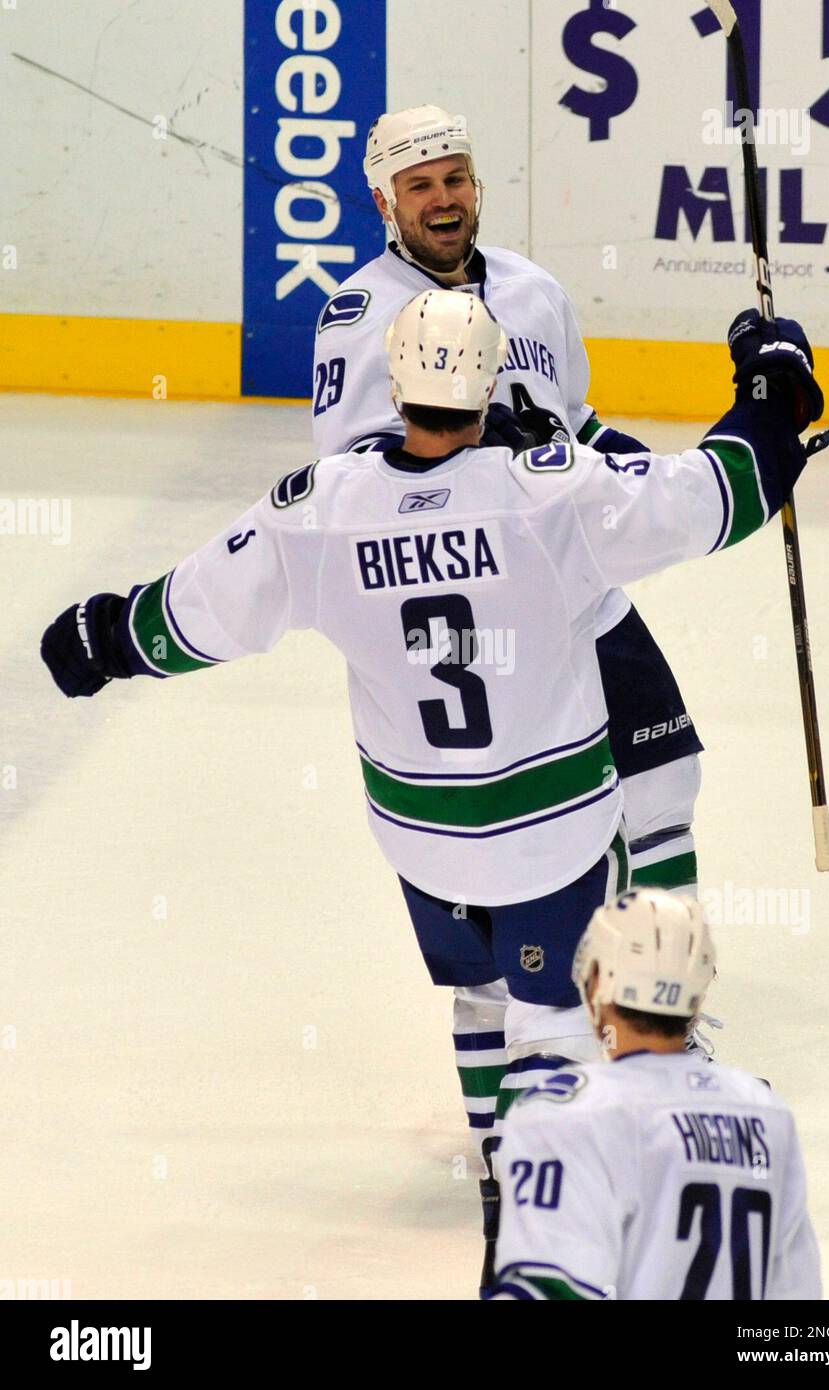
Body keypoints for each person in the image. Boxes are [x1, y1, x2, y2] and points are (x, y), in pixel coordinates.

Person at [40, 289, 822, 1291]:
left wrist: (100, 637)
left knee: (477, 989)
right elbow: (726, 491)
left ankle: (502, 1182)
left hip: (418, 838)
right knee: (550, 1020)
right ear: (491, 377)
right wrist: (772, 385)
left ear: (397, 382)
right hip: (548, 835)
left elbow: (188, 619)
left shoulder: (320, 509)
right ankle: (545, 1225)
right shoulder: (553, 495)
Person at [313, 104, 706, 1173]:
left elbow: (574, 430)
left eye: (456, 178)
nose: (443, 198)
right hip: (486, 610)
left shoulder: (534, 291)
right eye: (420, 184)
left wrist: (663, 484)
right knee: (506, 891)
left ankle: (660, 1027)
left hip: (573, 578)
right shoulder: (358, 312)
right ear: (384, 200)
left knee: (664, 777)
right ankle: (519, 1132)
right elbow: (357, 477)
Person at [489, 889, 822, 1300]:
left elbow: (549, 1290)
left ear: (595, 986)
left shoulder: (563, 1114)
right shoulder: (764, 1113)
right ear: (698, 997)